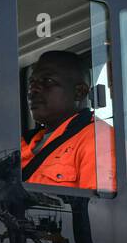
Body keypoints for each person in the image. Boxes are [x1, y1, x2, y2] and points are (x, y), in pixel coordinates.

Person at [20, 50, 116, 192]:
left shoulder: (99, 140)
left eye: (47, 81)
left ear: (79, 92)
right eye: (32, 82)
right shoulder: (24, 143)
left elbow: (99, 209)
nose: (33, 89)